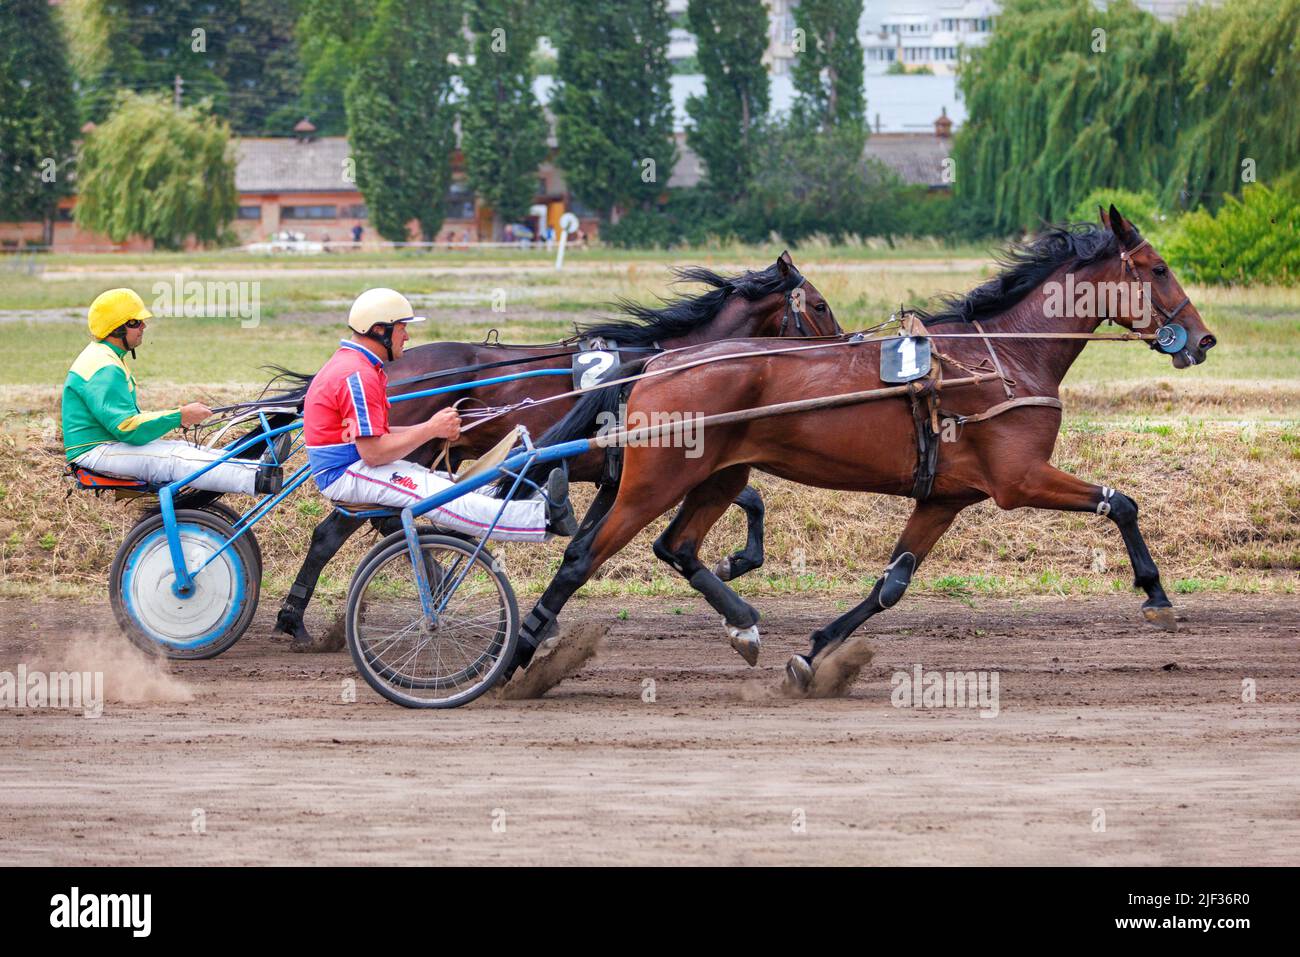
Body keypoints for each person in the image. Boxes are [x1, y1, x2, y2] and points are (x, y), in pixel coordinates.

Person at [303, 287, 578, 541]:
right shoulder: (358, 374)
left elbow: (377, 435)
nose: (407, 336)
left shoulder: (358, 365)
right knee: (438, 494)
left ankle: (535, 498)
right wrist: (430, 429)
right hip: (345, 473)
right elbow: (373, 453)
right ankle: (538, 521)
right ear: (379, 330)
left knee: (447, 483)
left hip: (353, 465)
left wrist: (431, 428)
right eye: (402, 328)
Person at [62, 288, 262, 493]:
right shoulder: (105, 367)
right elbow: (128, 428)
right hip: (95, 451)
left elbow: (128, 422)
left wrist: (178, 415)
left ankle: (258, 466)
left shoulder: (106, 357)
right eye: (136, 322)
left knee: (184, 450)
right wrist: (179, 416)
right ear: (118, 328)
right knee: (175, 458)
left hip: (107, 445)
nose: (143, 326)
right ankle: (258, 477)